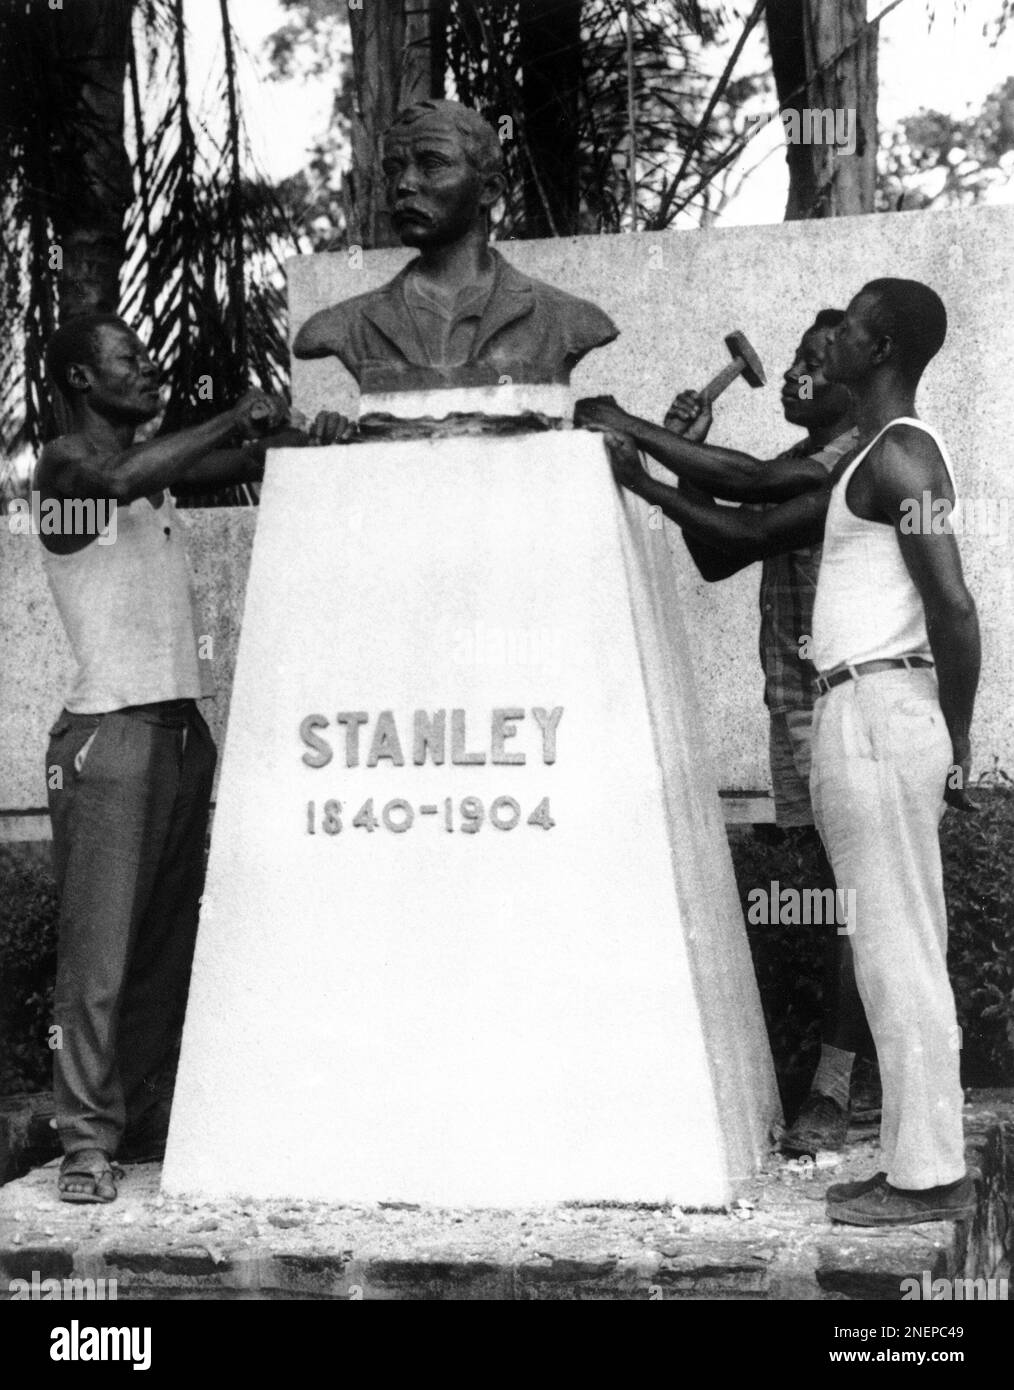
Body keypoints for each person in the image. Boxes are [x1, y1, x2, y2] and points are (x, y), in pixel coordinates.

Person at [587, 278, 980, 1226]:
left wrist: (955, 739)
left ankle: (930, 1179)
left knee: (897, 951)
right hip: (861, 712)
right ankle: (910, 1168)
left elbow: (955, 608)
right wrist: (642, 474)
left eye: (841, 326)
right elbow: (745, 532)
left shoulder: (903, 458)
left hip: (884, 708)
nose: (823, 340)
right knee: (890, 949)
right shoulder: (863, 471)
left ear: (879, 348)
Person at [36, 312, 345, 1203]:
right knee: (98, 957)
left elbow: (239, 463)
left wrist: (303, 440)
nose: (149, 366)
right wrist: (235, 413)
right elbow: (123, 473)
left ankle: (128, 1116)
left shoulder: (153, 482)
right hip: (110, 736)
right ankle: (83, 1145)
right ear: (81, 380)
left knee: (164, 950)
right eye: (127, 359)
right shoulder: (65, 468)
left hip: (178, 734)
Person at [580, 313, 878, 1156]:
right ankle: (851, 1078)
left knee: (855, 906)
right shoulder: (798, 468)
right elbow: (723, 549)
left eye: (812, 366)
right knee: (838, 902)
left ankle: (836, 1087)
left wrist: (638, 444)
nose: (791, 375)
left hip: (843, 705)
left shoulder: (851, 460)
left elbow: (746, 500)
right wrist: (679, 471)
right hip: (797, 703)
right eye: (789, 361)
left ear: (851, 387)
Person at [293, 99, 617, 390]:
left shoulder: (566, 319)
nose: (403, 184)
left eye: (431, 164)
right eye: (393, 169)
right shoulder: (344, 325)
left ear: (489, 189)